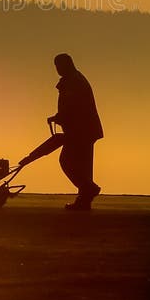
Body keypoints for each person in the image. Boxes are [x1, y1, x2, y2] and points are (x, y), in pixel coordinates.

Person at [19, 53, 103, 211]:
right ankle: (84, 201)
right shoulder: (75, 80)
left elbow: (74, 107)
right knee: (83, 166)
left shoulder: (73, 82)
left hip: (81, 130)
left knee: (67, 161)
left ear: (66, 65)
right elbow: (72, 107)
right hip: (85, 129)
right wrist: (59, 117)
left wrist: (60, 117)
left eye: (58, 66)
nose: (57, 69)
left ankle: (89, 188)